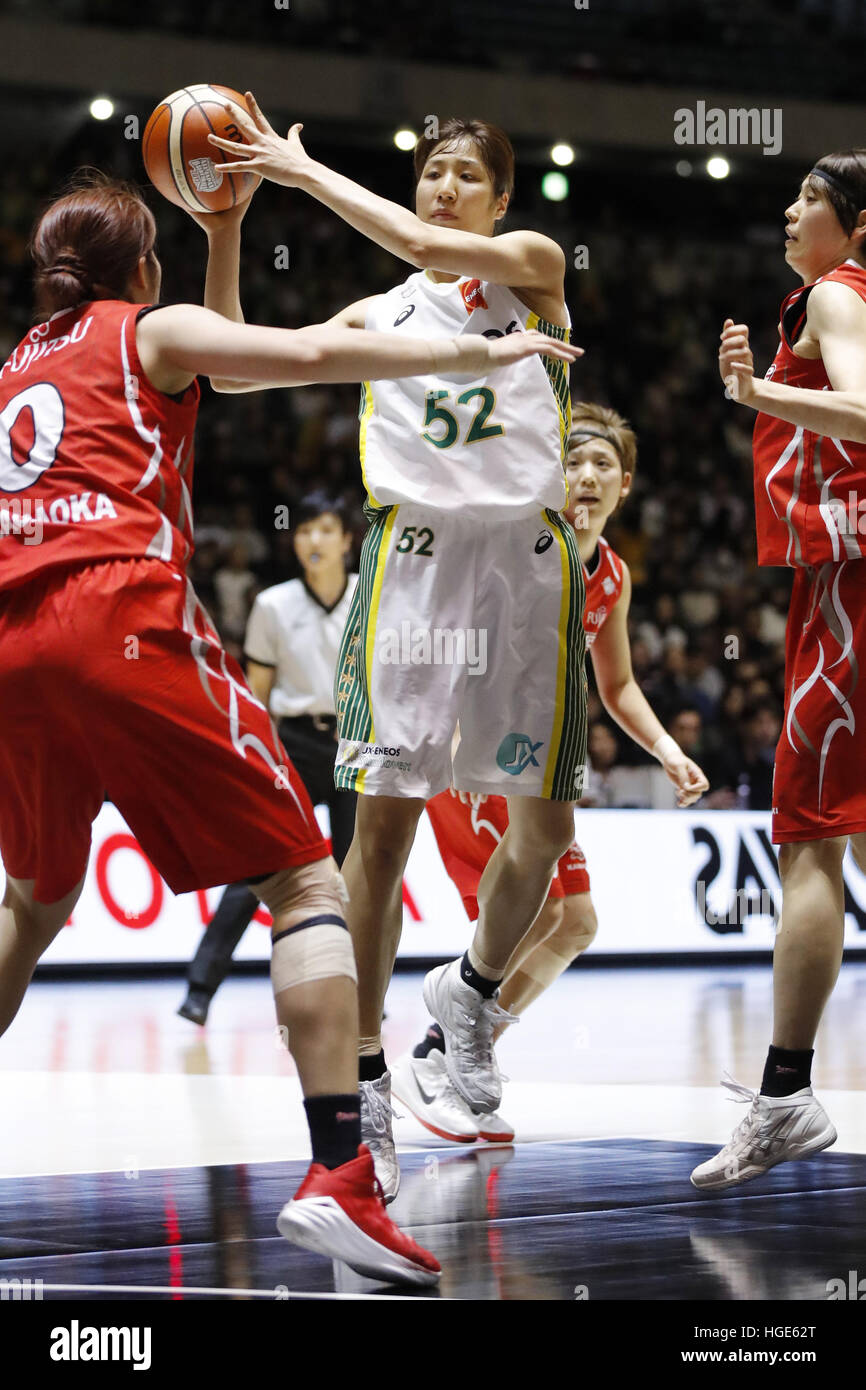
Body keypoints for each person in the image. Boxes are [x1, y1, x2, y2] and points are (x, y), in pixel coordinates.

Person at [0, 171, 569, 1281]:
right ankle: (340, 1175)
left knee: (31, 904)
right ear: (141, 268)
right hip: (115, 611)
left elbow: (225, 351)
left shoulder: (19, 362)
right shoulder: (147, 326)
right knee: (307, 879)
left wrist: (225, 231)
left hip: (12, 635)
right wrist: (474, 356)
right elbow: (301, 355)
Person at [206, 96, 587, 1201]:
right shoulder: (383, 306)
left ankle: (466, 995)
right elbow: (235, 367)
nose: (440, 189)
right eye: (428, 172)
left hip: (525, 561)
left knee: (545, 830)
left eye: (463, 174)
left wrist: (297, 170)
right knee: (384, 828)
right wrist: (230, 224)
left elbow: (426, 244)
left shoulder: (531, 262)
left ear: (501, 197)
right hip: (416, 562)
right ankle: (367, 1074)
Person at [392, 406, 709, 1141]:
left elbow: (619, 686)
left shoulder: (614, 576)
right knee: (528, 914)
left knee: (576, 923)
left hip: (541, 752)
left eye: (602, 465)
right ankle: (438, 1059)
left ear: (625, 485)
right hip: (477, 750)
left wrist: (664, 748)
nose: (586, 476)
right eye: (573, 462)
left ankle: (446, 1060)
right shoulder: (520, 541)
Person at [691, 150, 866, 1190]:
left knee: (811, 843)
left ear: (855, 226)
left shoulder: (838, 299)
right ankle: (784, 1092)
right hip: (836, 579)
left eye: (809, 198)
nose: (787, 209)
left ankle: (786, 1094)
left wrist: (756, 391)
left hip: (850, 585)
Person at [178, 489, 359, 1025]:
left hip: (355, 744)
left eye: (326, 530)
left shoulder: (370, 598)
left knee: (361, 876)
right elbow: (256, 696)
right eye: (304, 531)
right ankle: (199, 988)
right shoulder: (273, 604)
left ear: (348, 541)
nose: (315, 540)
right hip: (294, 747)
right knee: (257, 866)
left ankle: (360, 991)